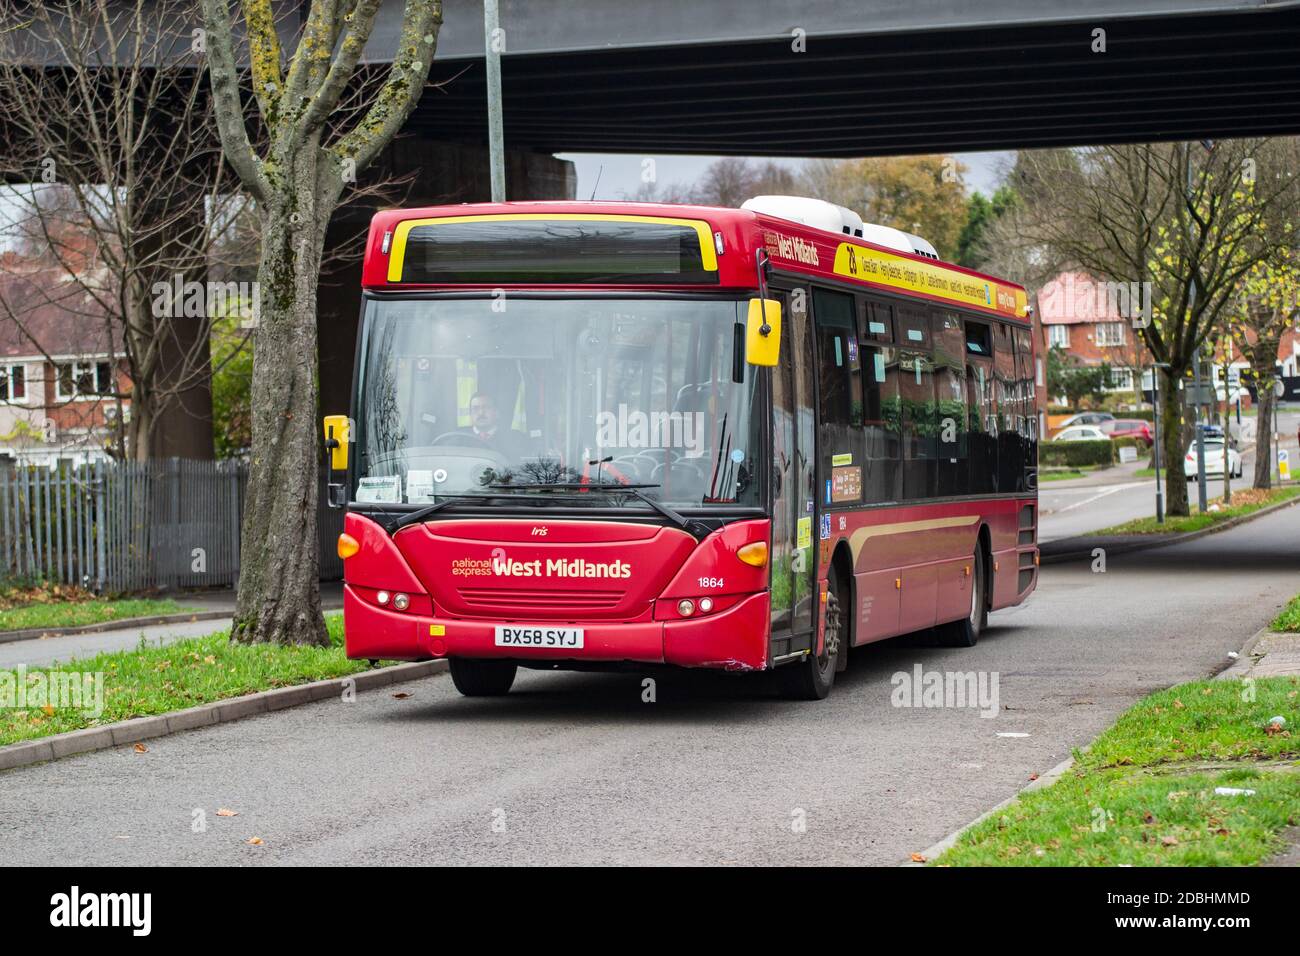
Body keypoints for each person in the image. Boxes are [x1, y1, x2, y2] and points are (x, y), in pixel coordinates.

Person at [466, 392, 534, 460]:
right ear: (470, 414)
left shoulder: (516, 439)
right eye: (475, 408)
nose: (481, 413)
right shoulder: (461, 438)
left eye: (486, 407)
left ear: (497, 412)